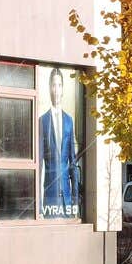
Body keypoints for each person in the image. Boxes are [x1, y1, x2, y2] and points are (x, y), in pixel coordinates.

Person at [38, 67, 78, 218]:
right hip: (50, 198)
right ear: (49, 88)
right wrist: (39, 207)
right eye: (54, 85)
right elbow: (39, 166)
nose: (56, 89)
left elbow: (72, 163)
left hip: (66, 200)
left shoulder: (69, 121)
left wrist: (75, 202)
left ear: (63, 89)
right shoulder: (43, 121)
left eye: (59, 85)